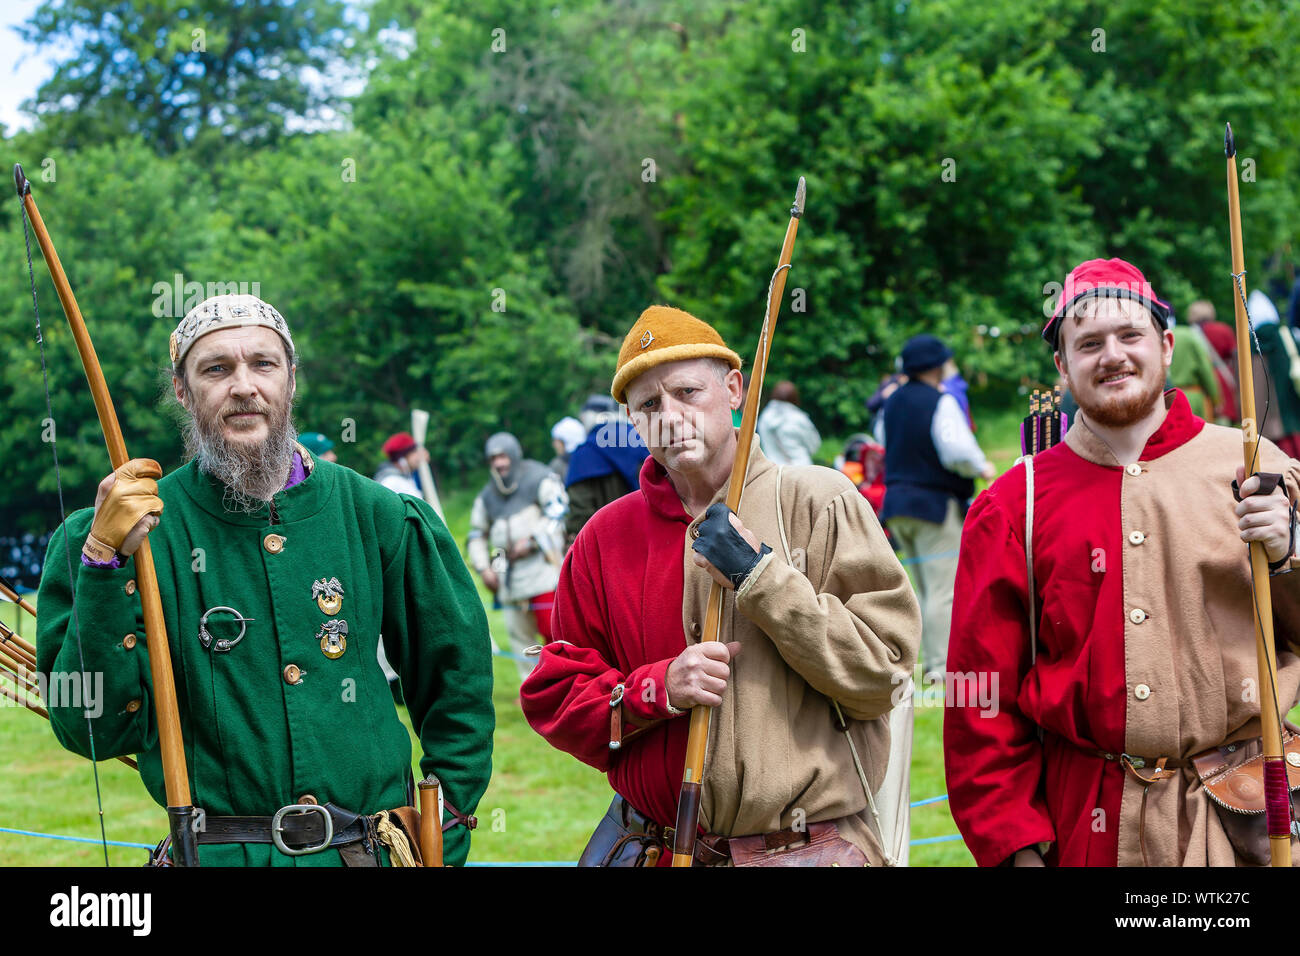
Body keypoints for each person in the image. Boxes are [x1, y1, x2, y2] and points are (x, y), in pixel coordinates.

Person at [36, 294, 494, 866]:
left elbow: (458, 682)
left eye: (263, 363)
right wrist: (104, 562)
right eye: (216, 369)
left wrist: (444, 825)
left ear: (291, 380)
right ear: (183, 391)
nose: (244, 386)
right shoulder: (125, 533)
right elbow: (91, 730)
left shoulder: (380, 516)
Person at [521, 305, 921, 866]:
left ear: (735, 389)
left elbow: (884, 674)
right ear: (632, 421)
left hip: (801, 852)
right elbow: (555, 694)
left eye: (688, 392)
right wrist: (654, 689)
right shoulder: (602, 539)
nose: (671, 416)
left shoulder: (818, 500)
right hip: (652, 849)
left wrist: (762, 579)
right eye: (650, 405)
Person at [945, 258, 1300, 867]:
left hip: (1250, 820)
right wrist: (1016, 850)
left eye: (1129, 335)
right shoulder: (1014, 504)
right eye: (1088, 343)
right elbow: (979, 698)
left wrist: (1291, 554)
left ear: (1164, 345)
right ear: (1062, 366)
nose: (1112, 355)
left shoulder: (1254, 465)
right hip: (1088, 829)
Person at [876, 334, 995, 683]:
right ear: (937, 366)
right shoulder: (939, 401)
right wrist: (982, 467)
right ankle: (942, 670)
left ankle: (924, 663)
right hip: (933, 507)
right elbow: (956, 451)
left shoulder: (891, 402)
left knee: (923, 590)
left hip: (896, 506)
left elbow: (884, 443)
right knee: (944, 589)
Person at [467, 433, 568, 682]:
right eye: (493, 458)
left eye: (502, 456)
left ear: (513, 455)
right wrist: (485, 569)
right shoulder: (488, 495)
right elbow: (477, 534)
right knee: (520, 638)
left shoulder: (538, 476)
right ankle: (533, 689)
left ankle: (565, 683)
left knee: (553, 631)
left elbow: (558, 511)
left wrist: (534, 539)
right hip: (506, 569)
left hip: (542, 567)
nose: (498, 463)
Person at [563, 405, 649, 549]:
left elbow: (580, 512)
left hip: (608, 547)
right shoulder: (645, 442)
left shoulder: (583, 454)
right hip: (655, 539)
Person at [756, 380, 821, 465]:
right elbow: (814, 446)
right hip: (801, 470)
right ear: (794, 398)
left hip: (774, 471)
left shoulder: (764, 417)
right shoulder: (798, 418)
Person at [373, 432, 427, 497]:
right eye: (414, 451)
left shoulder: (404, 477)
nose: (418, 455)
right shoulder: (392, 481)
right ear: (402, 459)